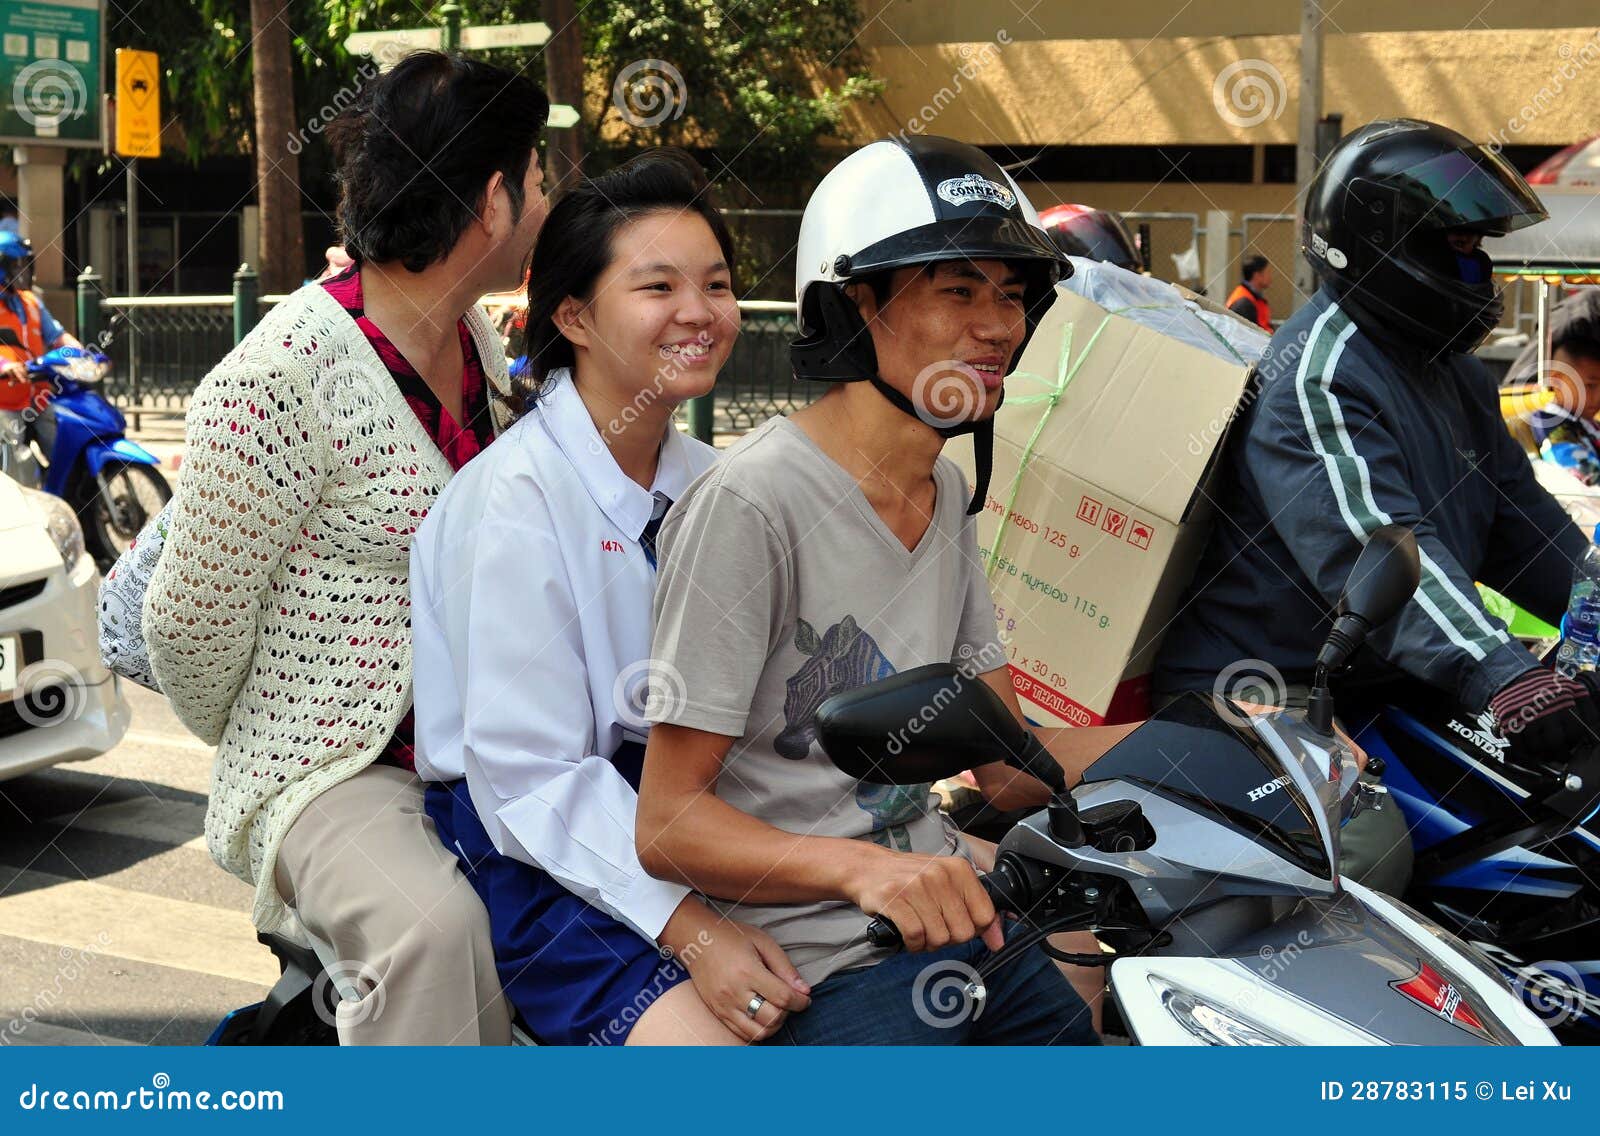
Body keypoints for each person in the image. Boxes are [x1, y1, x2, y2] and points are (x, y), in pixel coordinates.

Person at [635, 137, 1135, 1046]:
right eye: (958, 291)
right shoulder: (752, 504)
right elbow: (668, 826)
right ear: (855, 304)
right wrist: (865, 874)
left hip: (955, 925)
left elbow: (1011, 767)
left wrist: (1216, 735)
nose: (997, 326)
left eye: (1012, 294)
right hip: (826, 962)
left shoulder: (942, 491)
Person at [142, 51, 549, 1045]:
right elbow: (187, 627)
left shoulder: (475, 347)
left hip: (474, 752)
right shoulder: (278, 377)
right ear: (492, 201)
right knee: (437, 934)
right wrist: (299, 724)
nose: (550, 197)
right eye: (540, 174)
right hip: (328, 771)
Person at [411, 149, 813, 1046]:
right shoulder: (513, 500)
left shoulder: (714, 482)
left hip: (696, 814)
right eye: (658, 286)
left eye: (715, 284)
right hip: (534, 841)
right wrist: (696, 932)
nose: (699, 314)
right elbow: (530, 777)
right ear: (574, 316)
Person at [1154, 118, 1592, 894]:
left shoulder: (1450, 372)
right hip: (1267, 688)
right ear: (1391, 247)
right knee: (1368, 854)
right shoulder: (1319, 374)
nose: (1480, 269)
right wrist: (1500, 671)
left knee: (1546, 811)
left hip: (1377, 679)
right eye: (1461, 247)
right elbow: (1380, 545)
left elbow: (1520, 528)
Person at [1504, 287, 1600, 483]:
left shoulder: (1588, 423)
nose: (1598, 396)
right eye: (1591, 386)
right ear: (1557, 381)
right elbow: (1584, 475)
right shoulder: (1552, 424)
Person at [1225, 253, 1273, 330]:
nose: (1270, 277)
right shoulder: (1243, 303)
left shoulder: (1250, 297)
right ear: (1257, 275)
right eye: (1268, 272)